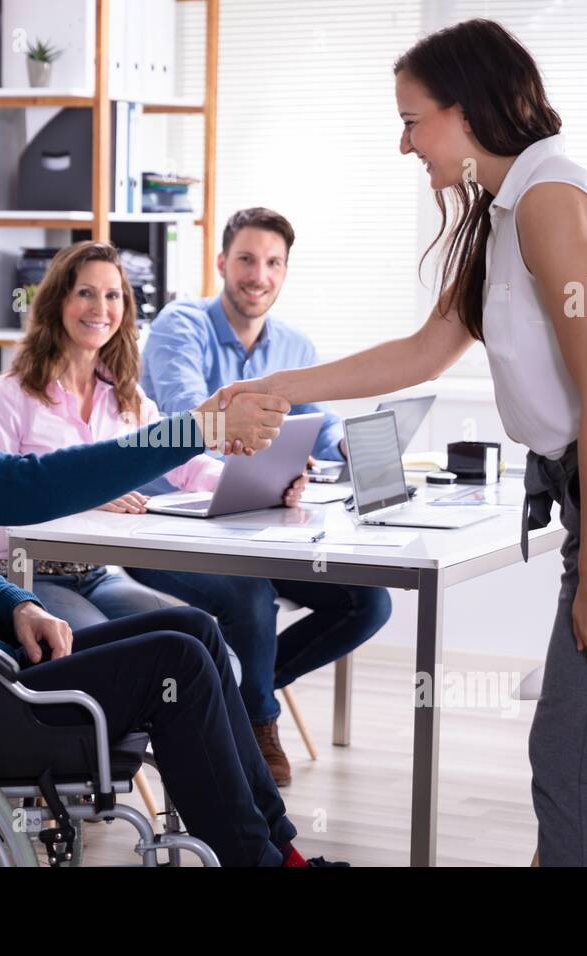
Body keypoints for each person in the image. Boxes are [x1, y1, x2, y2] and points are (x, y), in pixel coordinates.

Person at [216, 20, 587, 866]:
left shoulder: (550, 200)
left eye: (413, 120)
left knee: (569, 762)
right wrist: (278, 387)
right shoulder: (505, 215)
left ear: (465, 112)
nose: (404, 143)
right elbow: (421, 352)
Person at [0, 212, 350, 866]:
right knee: (178, 659)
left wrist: (18, 605)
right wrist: (194, 428)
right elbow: (23, 488)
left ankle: (282, 854)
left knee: (193, 629)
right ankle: (261, 864)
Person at [137, 207, 393, 785]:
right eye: (247, 260)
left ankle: (244, 689)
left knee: (367, 602)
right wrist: (272, 455)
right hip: (167, 526)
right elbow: (190, 421)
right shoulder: (182, 326)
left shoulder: (294, 345)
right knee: (250, 595)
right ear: (223, 262)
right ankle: (256, 719)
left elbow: (321, 429)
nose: (259, 275)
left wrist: (358, 451)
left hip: (254, 524)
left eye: (273, 263)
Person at [0, 239, 310, 630]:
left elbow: (186, 463)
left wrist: (259, 485)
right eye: (85, 293)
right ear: (56, 302)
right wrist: (86, 496)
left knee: (196, 634)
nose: (100, 308)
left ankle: (244, 694)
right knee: (118, 649)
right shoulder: (6, 397)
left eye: (113, 295)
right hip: (20, 579)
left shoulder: (125, 398)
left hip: (96, 575)